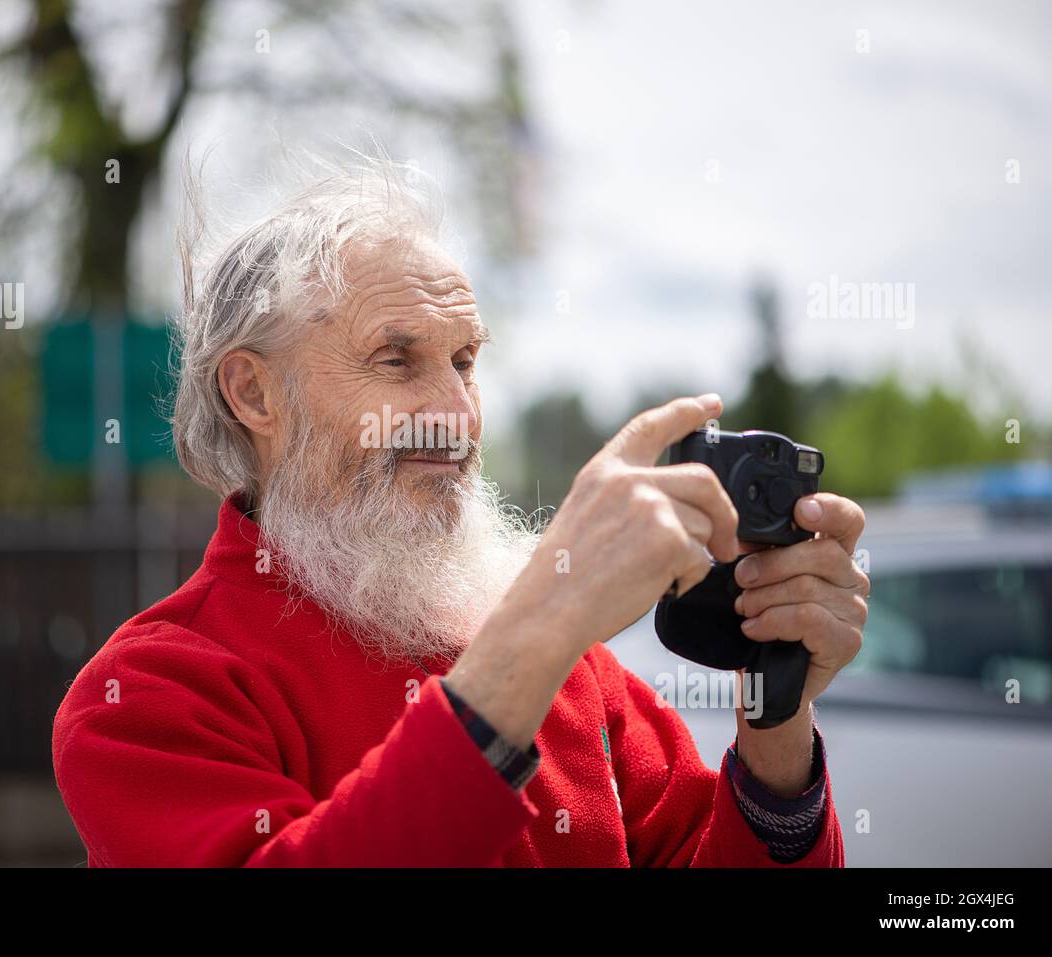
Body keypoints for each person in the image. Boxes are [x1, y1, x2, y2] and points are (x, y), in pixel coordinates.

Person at [51, 152, 869, 867]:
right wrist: (540, 630)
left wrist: (777, 719)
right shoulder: (148, 692)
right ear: (254, 392)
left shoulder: (569, 664)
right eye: (396, 358)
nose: (456, 411)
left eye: (466, 360)